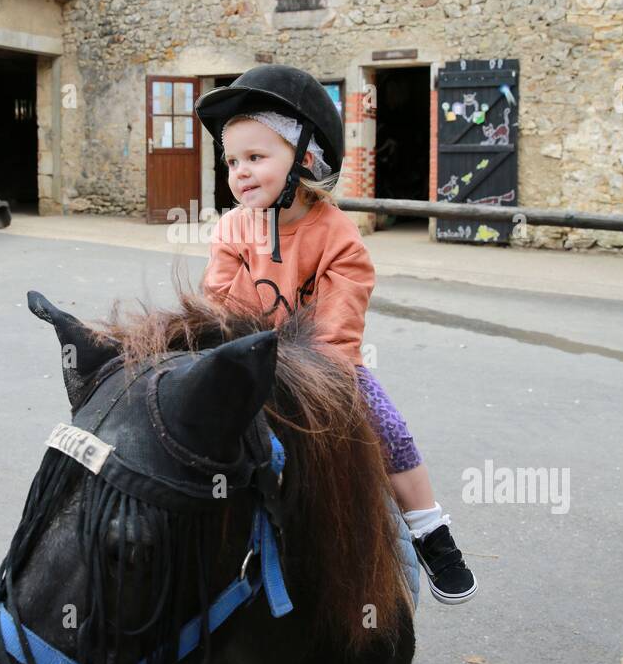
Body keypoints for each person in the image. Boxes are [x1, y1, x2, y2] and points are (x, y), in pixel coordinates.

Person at [195, 65, 477, 604]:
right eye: (232, 161)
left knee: (388, 427)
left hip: (322, 365)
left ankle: (429, 528)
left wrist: (312, 373)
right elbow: (219, 308)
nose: (240, 172)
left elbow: (339, 328)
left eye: (256, 157)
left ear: (303, 158)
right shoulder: (232, 228)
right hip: (246, 359)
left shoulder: (338, 237)